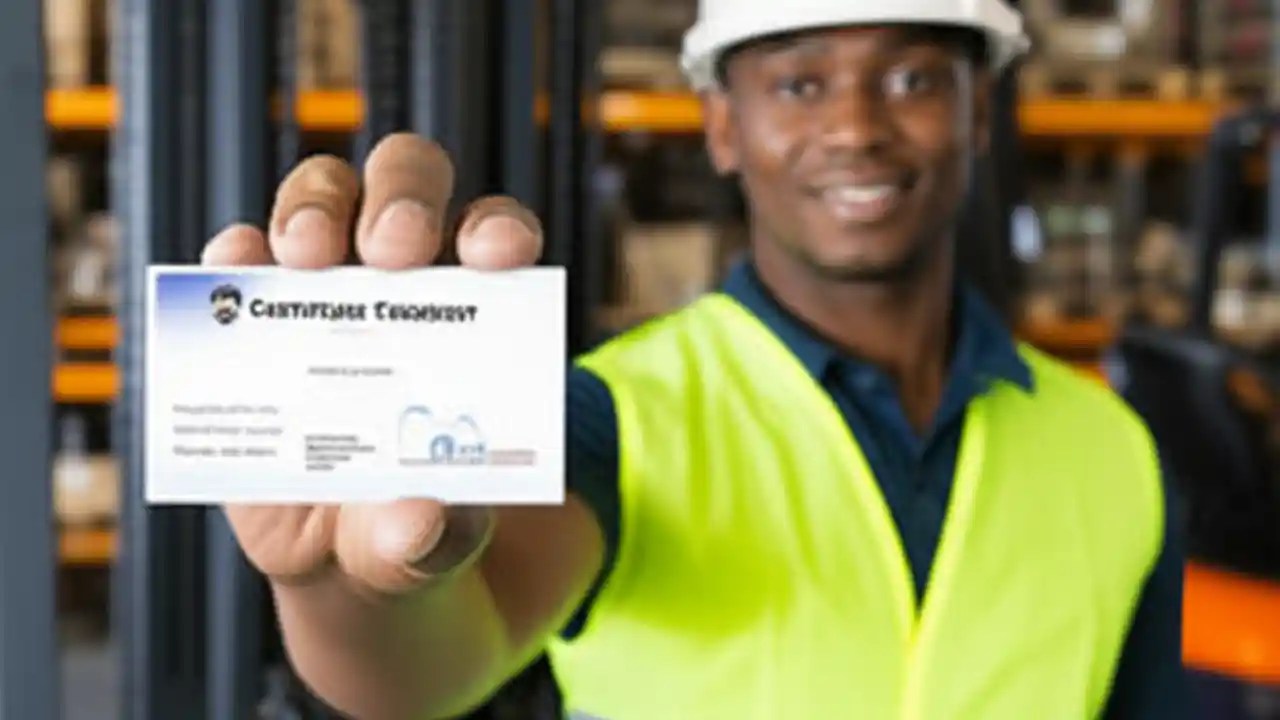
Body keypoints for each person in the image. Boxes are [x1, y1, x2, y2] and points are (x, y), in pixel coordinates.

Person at [208, 0, 1187, 717]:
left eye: (912, 79)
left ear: (978, 114)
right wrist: (343, 590)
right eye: (798, 84)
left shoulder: (1112, 449)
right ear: (723, 124)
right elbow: (442, 660)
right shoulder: (613, 416)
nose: (853, 127)